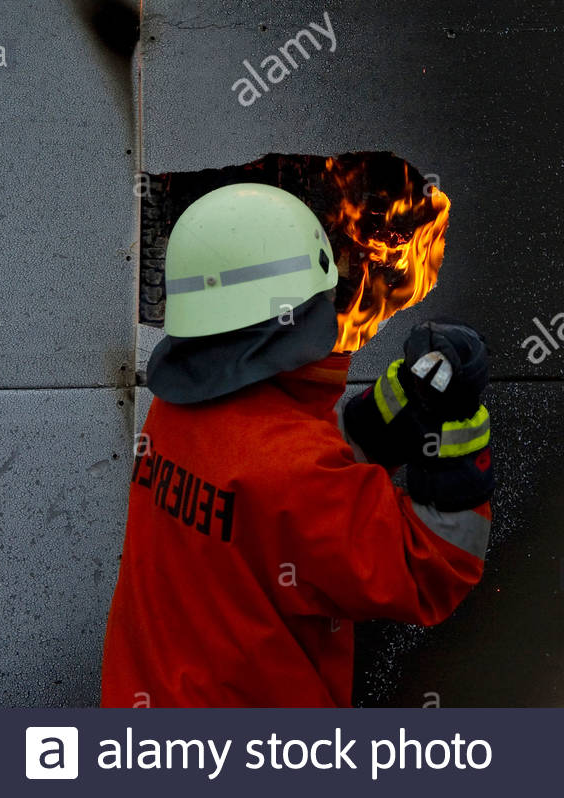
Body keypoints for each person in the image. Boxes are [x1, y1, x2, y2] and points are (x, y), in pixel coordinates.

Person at [100, 181, 493, 707]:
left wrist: (388, 415)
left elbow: (289, 511)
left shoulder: (174, 411)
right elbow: (432, 568)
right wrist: (453, 429)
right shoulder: (289, 467)